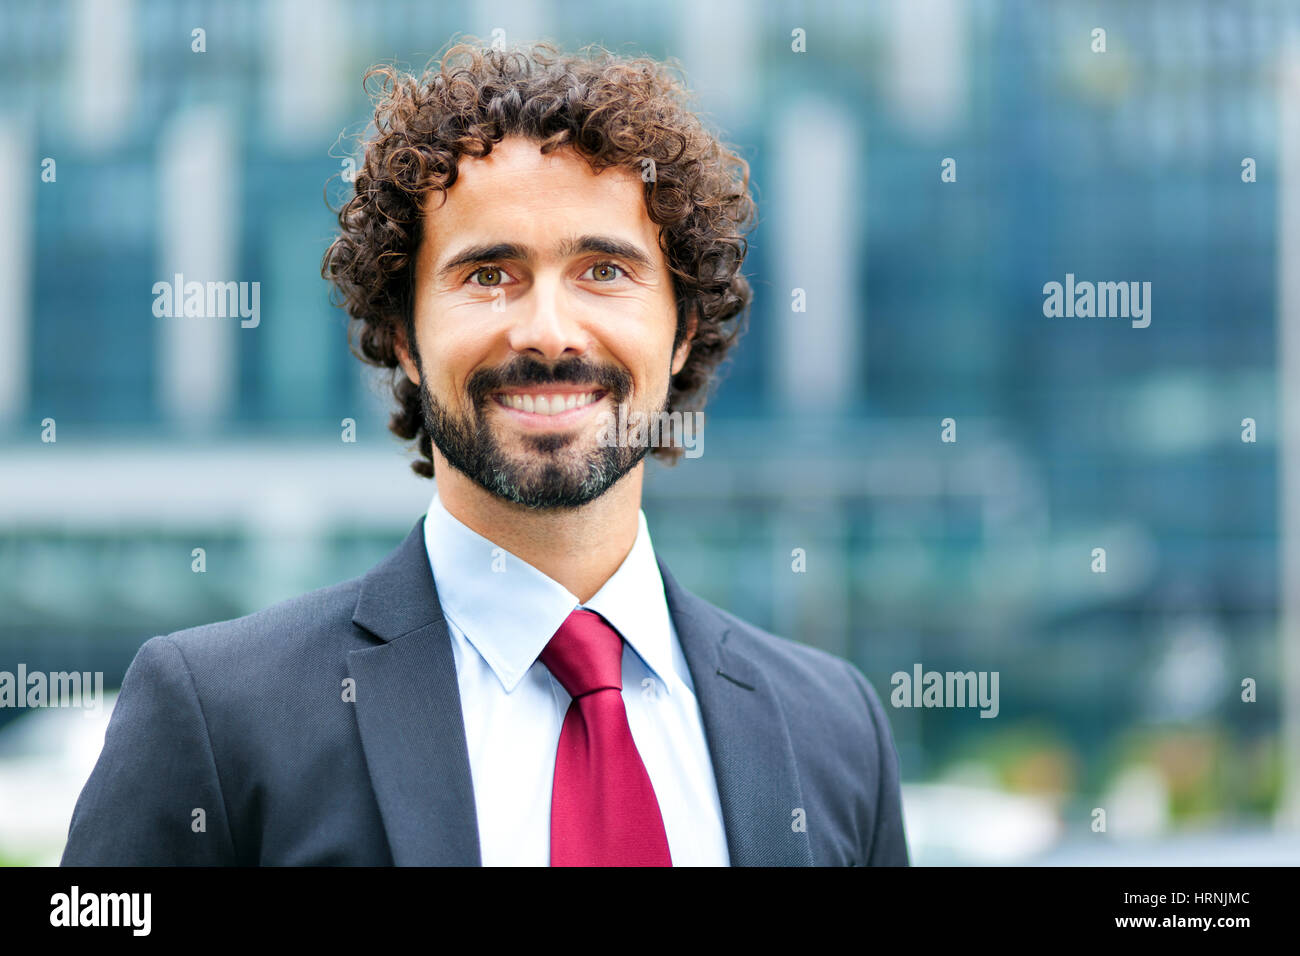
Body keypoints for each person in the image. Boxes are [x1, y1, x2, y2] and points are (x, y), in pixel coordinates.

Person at [61, 40, 908, 867]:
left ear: (683, 331)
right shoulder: (216, 714)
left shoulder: (835, 726)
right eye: (489, 274)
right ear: (402, 337)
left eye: (605, 271)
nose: (546, 331)